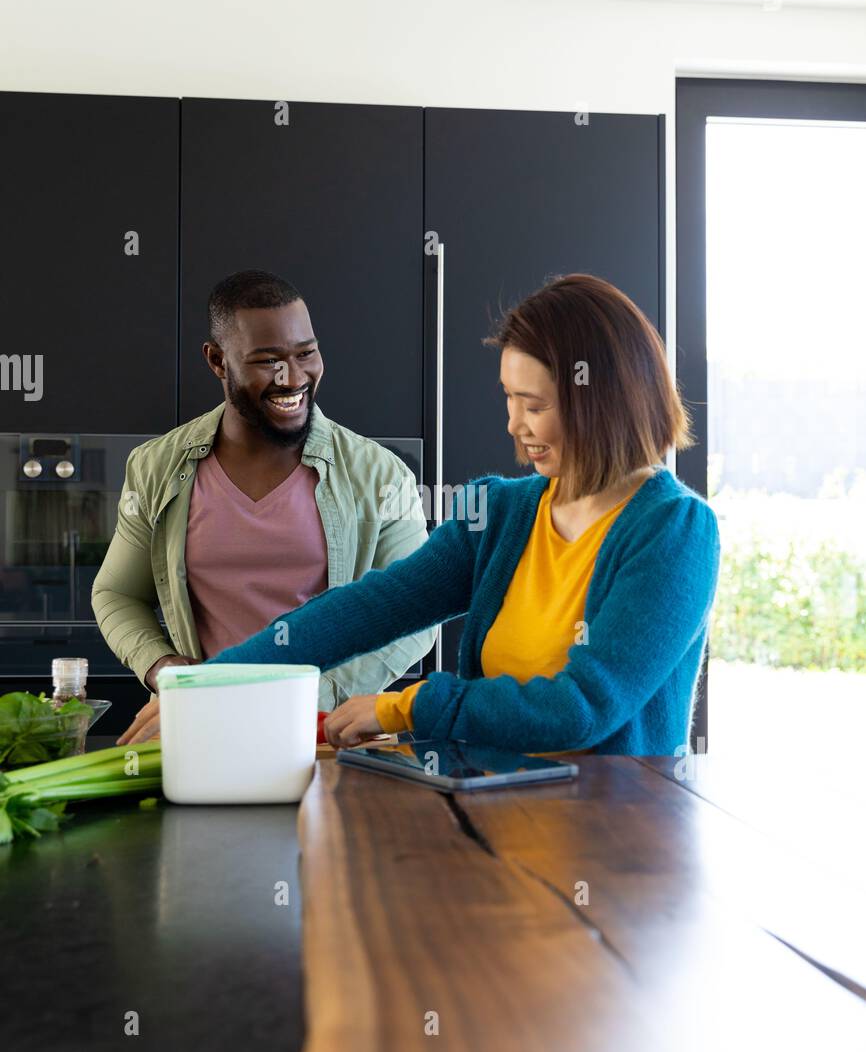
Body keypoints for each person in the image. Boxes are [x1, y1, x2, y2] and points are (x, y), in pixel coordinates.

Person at [118, 273, 720, 756]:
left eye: (534, 405)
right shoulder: (499, 512)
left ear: (603, 402)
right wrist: (205, 686)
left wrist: (404, 706)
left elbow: (580, 710)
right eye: (509, 400)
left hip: (620, 846)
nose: (514, 425)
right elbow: (368, 608)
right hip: (499, 815)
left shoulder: (673, 531)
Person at [94, 270, 434, 712]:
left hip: (322, 730)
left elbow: (418, 615)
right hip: (204, 721)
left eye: (305, 353)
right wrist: (162, 667)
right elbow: (117, 594)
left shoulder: (380, 474)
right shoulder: (157, 467)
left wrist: (314, 697)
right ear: (218, 360)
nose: (292, 377)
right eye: (266, 360)